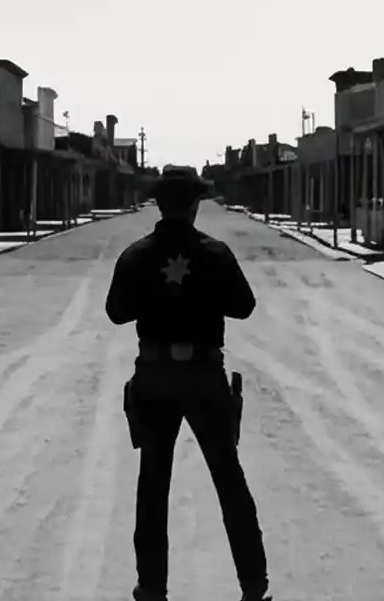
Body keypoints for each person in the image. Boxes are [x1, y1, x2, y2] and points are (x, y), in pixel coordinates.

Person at [106, 165, 272, 601]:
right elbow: (244, 306)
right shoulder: (214, 253)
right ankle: (254, 589)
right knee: (229, 482)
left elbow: (116, 312)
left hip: (156, 375)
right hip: (202, 375)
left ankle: (152, 589)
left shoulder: (136, 255)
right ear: (196, 204)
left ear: (159, 203)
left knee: (153, 484)